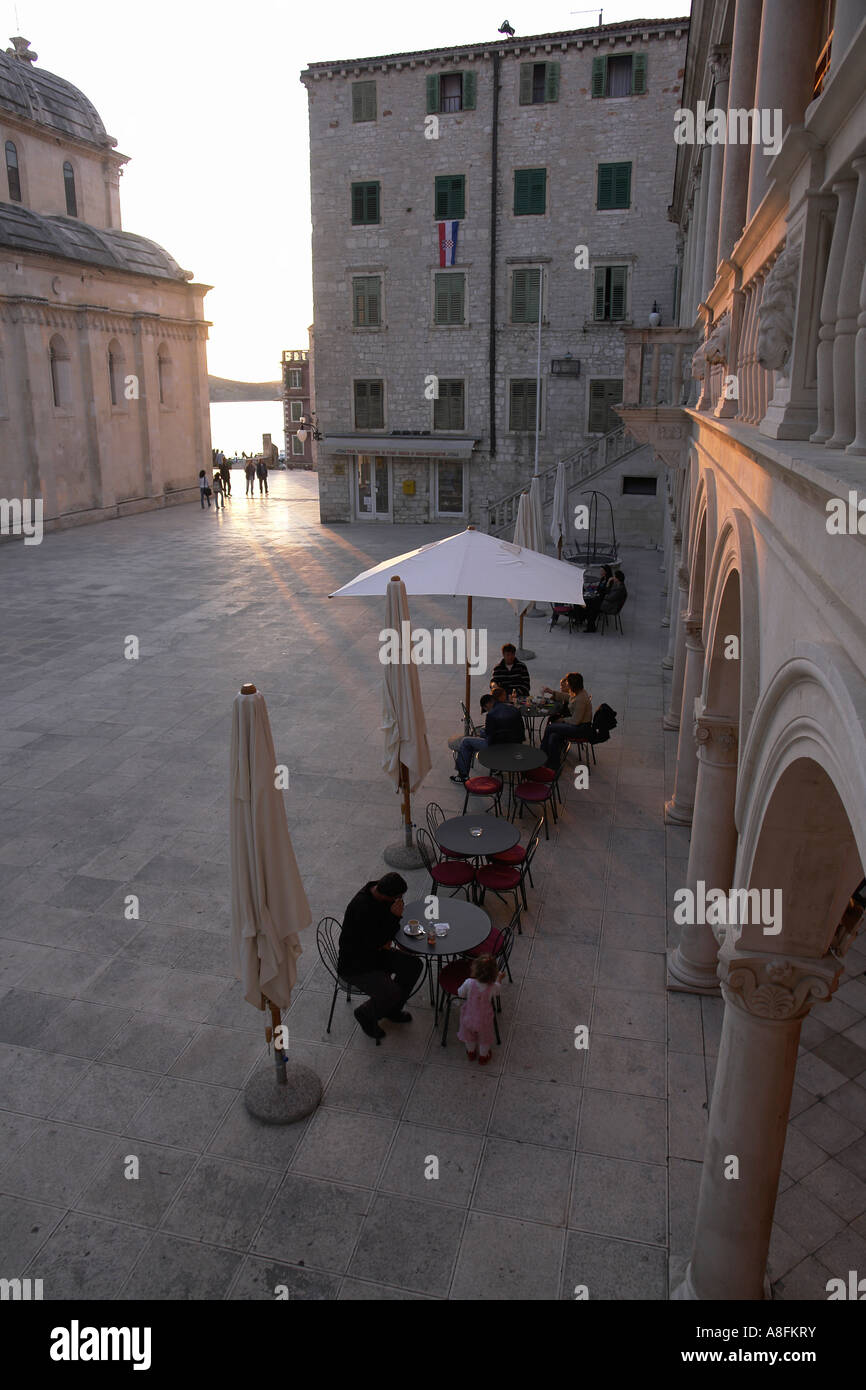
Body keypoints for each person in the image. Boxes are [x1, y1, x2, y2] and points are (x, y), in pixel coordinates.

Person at [337, 873, 422, 1041]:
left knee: (414, 965)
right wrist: (394, 917)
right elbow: (382, 942)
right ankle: (365, 1014)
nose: (399, 900)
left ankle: (392, 1010)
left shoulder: (377, 889)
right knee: (391, 991)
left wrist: (391, 919)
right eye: (397, 897)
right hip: (356, 965)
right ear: (385, 895)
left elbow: (383, 940)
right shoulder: (362, 908)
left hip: (374, 953)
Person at [451, 686, 525, 783]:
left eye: (486, 708)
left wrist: (482, 734)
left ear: (488, 704)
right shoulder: (514, 709)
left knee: (466, 741)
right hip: (516, 745)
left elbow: (490, 738)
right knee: (481, 733)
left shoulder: (491, 715)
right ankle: (495, 768)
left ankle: (462, 775)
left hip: (497, 747)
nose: (487, 710)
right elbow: (521, 731)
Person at [540, 672, 593, 767]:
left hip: (581, 729)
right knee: (553, 736)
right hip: (578, 725)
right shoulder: (579, 692)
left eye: (568, 684)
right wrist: (552, 692)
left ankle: (541, 756)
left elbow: (575, 721)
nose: (567, 686)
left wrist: (562, 720)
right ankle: (552, 763)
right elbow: (568, 697)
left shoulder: (581, 699)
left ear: (573, 685)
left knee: (550, 728)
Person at [457, 955, 503, 1064]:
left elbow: (460, 993)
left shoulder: (469, 982)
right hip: (484, 1020)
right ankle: (483, 1056)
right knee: (484, 1040)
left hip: (469, 1017)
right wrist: (499, 979)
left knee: (469, 1037)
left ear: (475, 970)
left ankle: (471, 1052)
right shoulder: (493, 986)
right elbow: (498, 991)